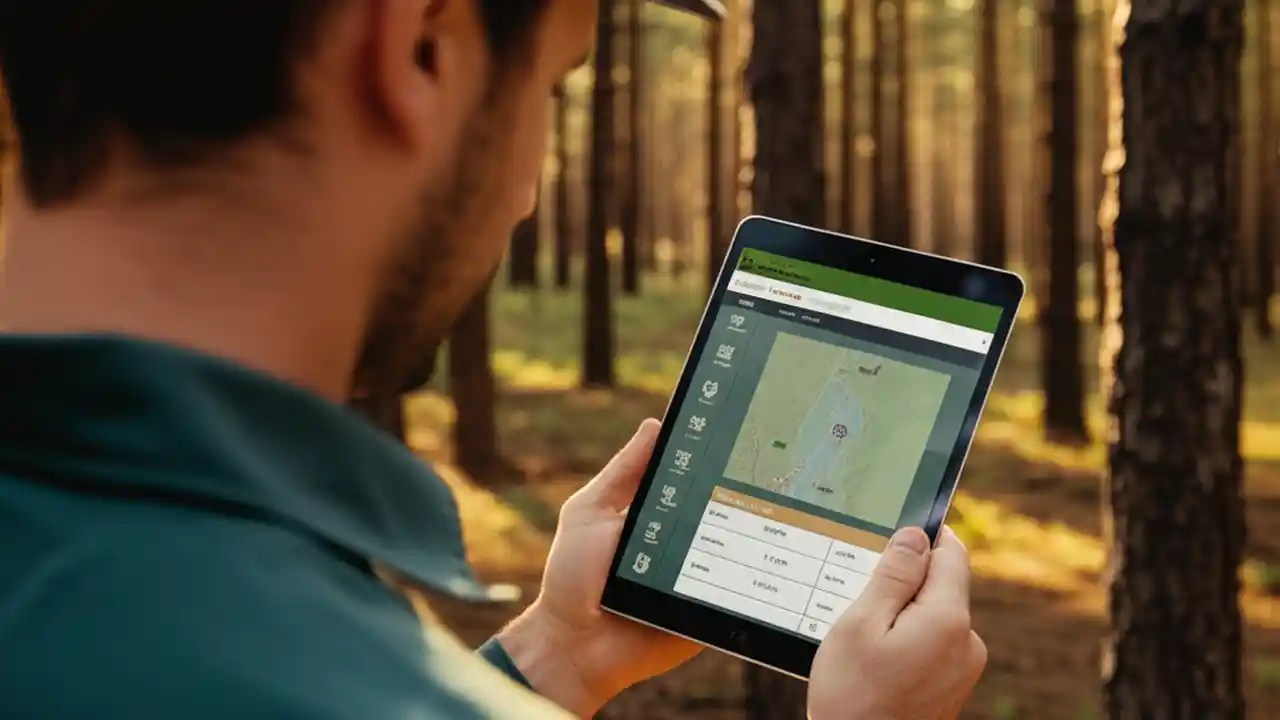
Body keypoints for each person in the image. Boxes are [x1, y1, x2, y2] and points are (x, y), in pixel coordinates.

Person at [0, 1, 987, 718]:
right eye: (551, 86)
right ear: (421, 45)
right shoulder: (304, 672)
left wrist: (558, 655)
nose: (525, 197)